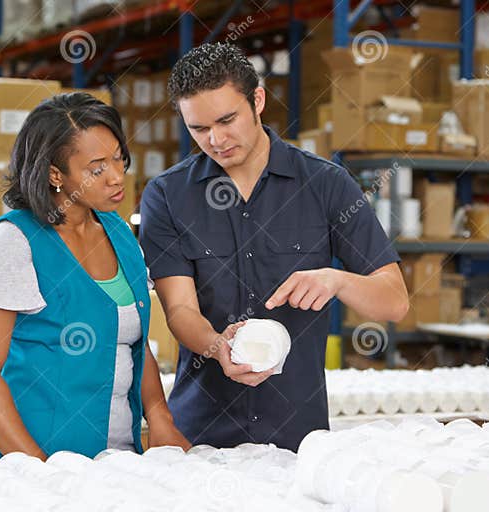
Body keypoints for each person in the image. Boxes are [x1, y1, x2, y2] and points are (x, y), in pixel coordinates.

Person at [139, 43, 409, 452]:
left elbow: (394, 302)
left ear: (258, 100)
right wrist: (217, 346)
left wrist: (336, 280)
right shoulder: (168, 196)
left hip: (296, 440)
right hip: (199, 437)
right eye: (198, 128)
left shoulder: (326, 185)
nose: (216, 139)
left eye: (227, 119)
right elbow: (179, 310)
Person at [0, 92, 190, 460]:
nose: (117, 176)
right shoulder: (14, 243)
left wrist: (159, 416)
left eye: (118, 158)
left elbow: (133, 340)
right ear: (55, 174)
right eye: (97, 168)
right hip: (23, 467)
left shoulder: (119, 235)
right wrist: (40, 472)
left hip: (111, 464)